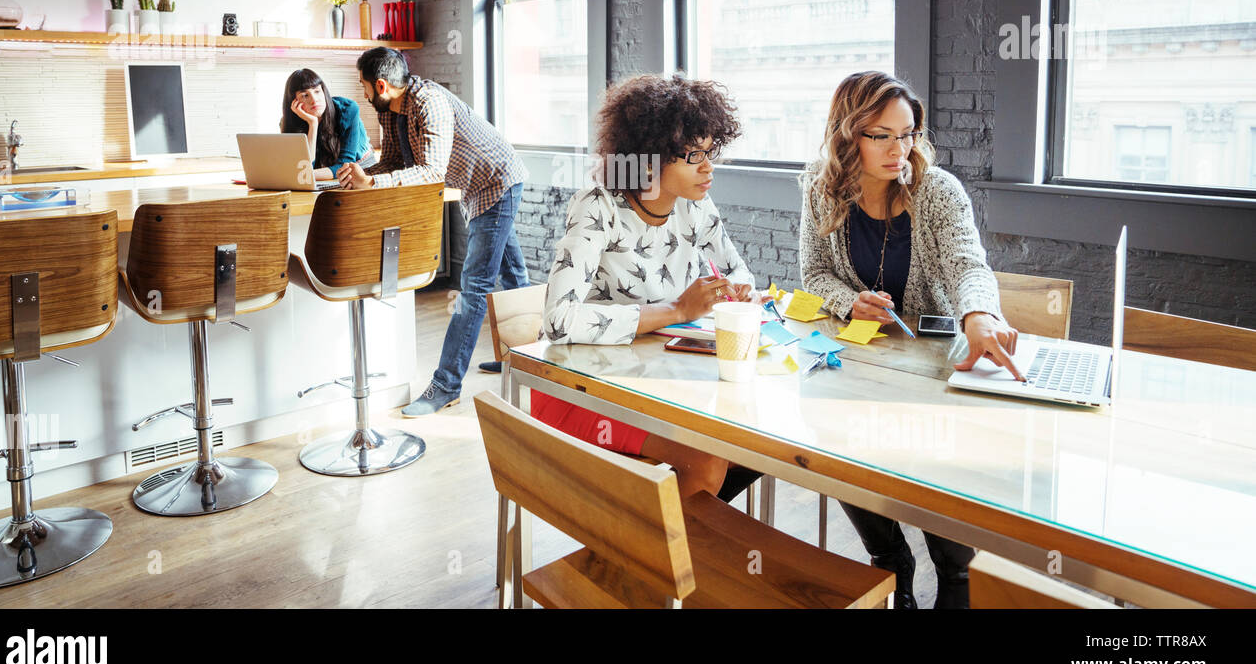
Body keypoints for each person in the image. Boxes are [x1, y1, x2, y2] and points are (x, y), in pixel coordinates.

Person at [798, 69, 1021, 608]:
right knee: (835, 436)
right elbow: (814, 275)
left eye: (909, 134)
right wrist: (850, 301)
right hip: (859, 361)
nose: (901, 149)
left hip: (929, 364)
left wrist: (978, 315)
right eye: (884, 135)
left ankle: (953, 574)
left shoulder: (937, 191)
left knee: (939, 480)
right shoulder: (820, 185)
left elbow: (969, 264)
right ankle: (892, 564)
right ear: (848, 134)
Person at [540, 74, 758, 498]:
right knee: (708, 458)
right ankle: (656, 556)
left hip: (655, 382)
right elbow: (558, 320)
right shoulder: (598, 206)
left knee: (751, 442)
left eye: (710, 151)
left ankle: (663, 548)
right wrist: (678, 310)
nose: (708, 167)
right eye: (693, 155)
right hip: (579, 389)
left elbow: (740, 273)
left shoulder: (696, 205)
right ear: (650, 158)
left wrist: (736, 292)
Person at [337, 47, 530, 416]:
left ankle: (446, 385)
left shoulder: (430, 103)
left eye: (363, 86)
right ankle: (522, 359)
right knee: (514, 276)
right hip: (479, 187)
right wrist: (358, 178)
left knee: (473, 287)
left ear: (381, 85)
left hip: (497, 182)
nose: (362, 94)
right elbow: (392, 162)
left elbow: (431, 173)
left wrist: (371, 186)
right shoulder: (392, 112)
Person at [279, 68, 374, 181]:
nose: (314, 100)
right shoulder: (289, 122)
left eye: (317, 91)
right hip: (326, 173)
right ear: (294, 102)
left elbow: (344, 165)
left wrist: (301, 175)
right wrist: (313, 125)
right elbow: (304, 166)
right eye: (305, 95)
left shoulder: (348, 109)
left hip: (362, 169)